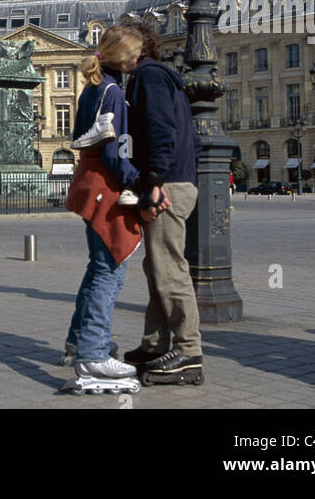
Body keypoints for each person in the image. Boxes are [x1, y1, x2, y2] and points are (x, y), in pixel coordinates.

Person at [62, 24, 165, 392]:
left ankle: (80, 341)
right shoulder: (111, 92)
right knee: (110, 271)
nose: (138, 60)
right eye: (136, 54)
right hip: (106, 186)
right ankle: (93, 354)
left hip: (89, 182)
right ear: (124, 58)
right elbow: (114, 149)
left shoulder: (92, 87)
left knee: (97, 269)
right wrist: (139, 182)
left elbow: (82, 137)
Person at [122, 20, 204, 384]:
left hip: (167, 184)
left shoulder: (148, 77)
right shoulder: (161, 76)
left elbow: (159, 129)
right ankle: (155, 344)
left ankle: (188, 351)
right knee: (157, 268)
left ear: (135, 48)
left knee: (169, 269)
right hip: (175, 179)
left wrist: (154, 180)